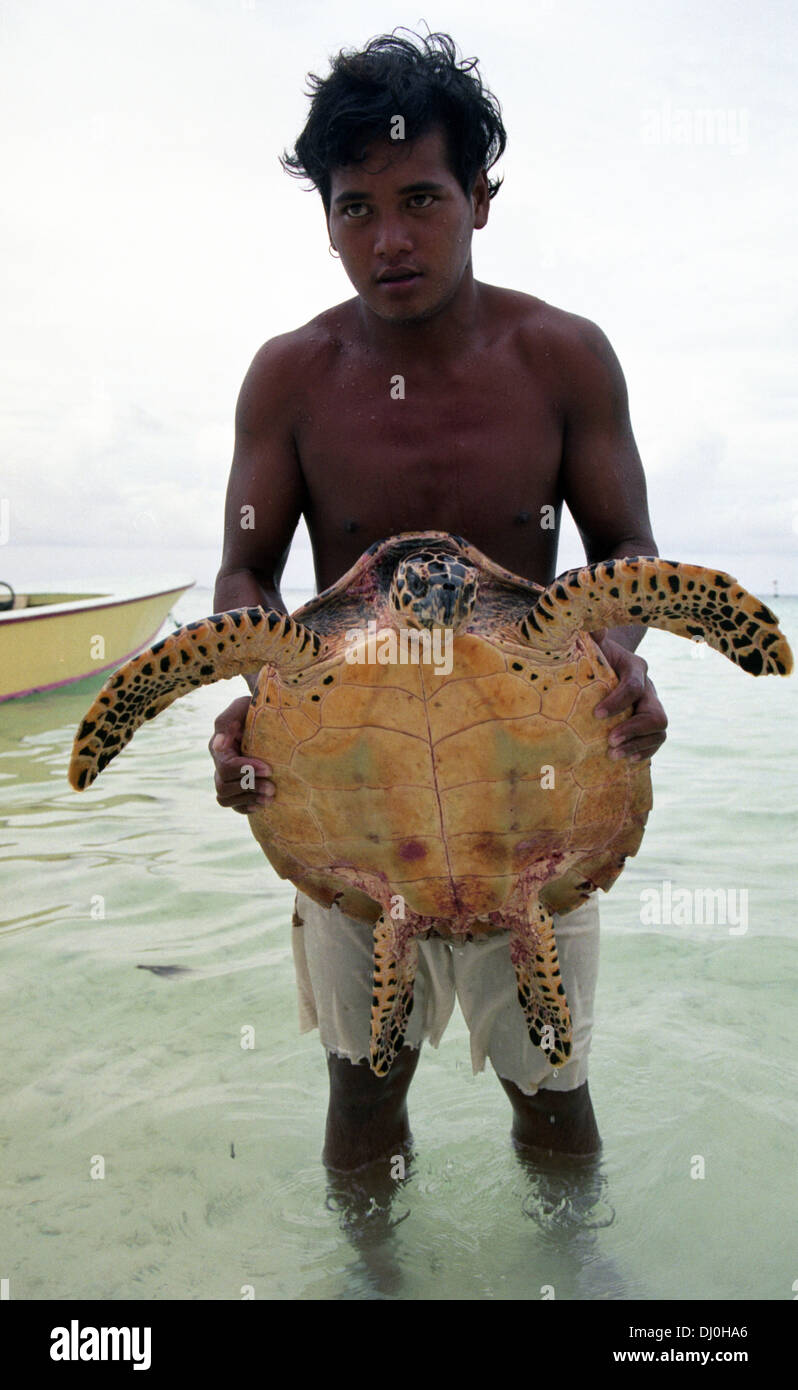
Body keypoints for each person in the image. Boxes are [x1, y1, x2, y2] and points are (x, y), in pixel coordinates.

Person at [208, 30, 667, 1171]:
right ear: (326, 218)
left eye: (421, 198)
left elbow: (626, 548)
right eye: (355, 208)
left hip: (532, 795)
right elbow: (246, 574)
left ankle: (587, 1285)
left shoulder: (562, 359)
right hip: (361, 801)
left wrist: (613, 659)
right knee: (364, 1103)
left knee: (554, 1100)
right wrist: (266, 698)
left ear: (482, 199)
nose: (390, 238)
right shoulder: (291, 376)